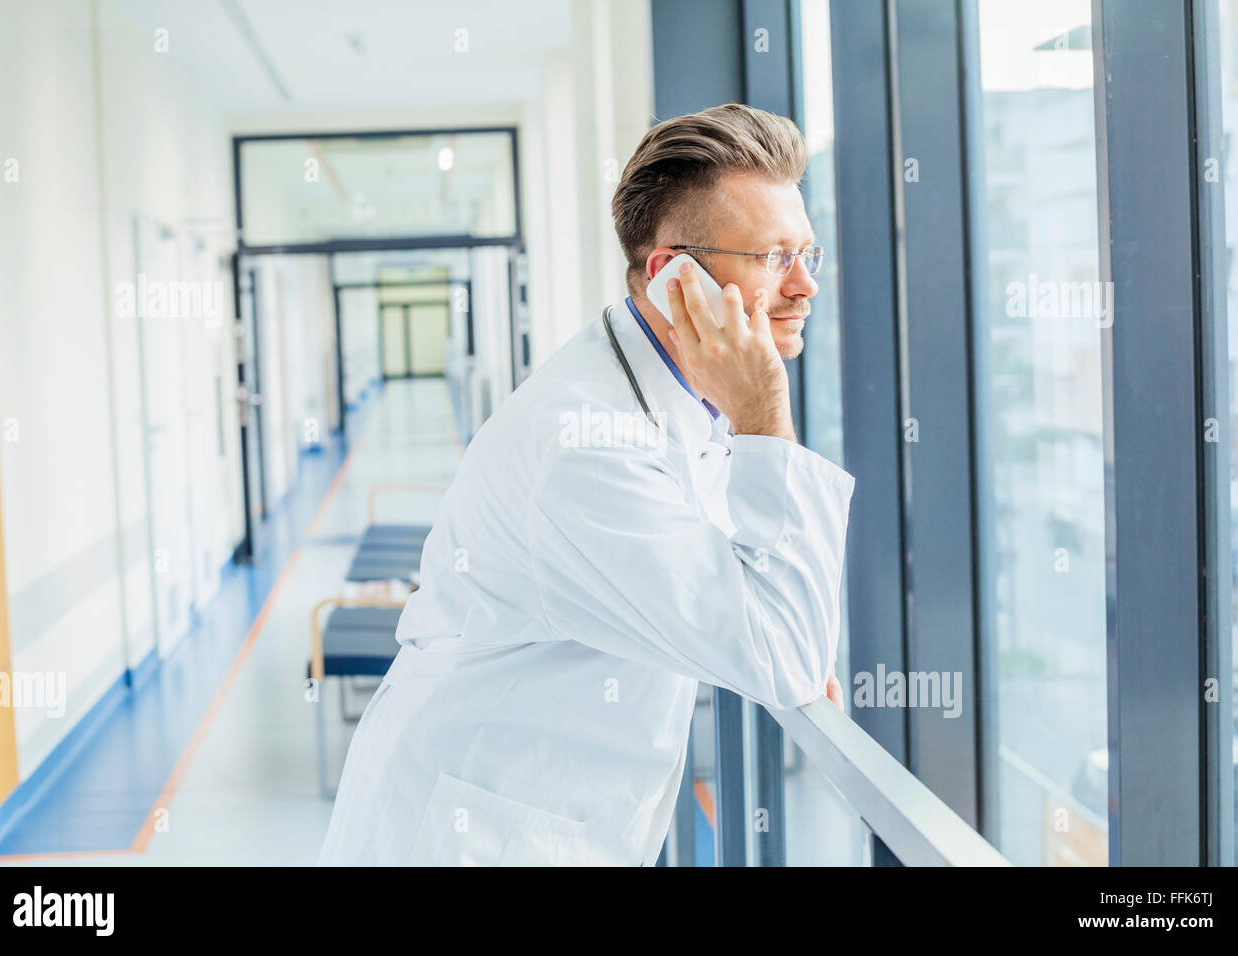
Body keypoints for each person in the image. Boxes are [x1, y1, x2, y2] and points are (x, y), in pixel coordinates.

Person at [317, 103, 854, 866]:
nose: (804, 286)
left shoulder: (674, 393)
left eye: (809, 253)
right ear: (675, 277)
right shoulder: (586, 450)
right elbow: (785, 657)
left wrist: (777, 624)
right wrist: (766, 412)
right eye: (773, 257)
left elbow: (760, 616)